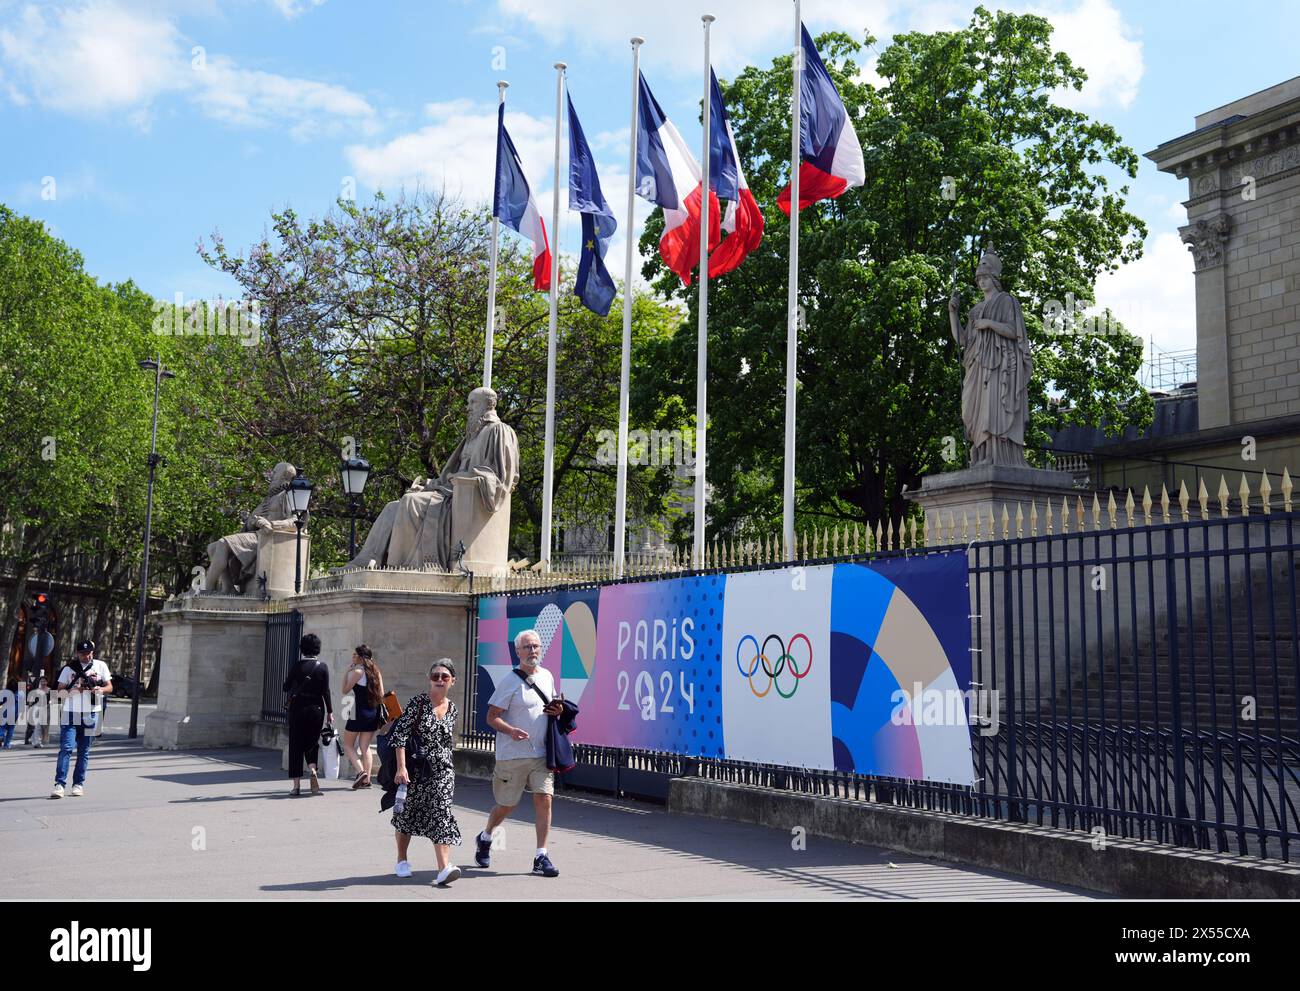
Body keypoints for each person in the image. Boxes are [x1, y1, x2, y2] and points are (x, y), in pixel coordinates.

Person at [346, 388, 519, 570]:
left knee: (410, 502)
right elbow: (450, 473)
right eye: (468, 402)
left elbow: (503, 475)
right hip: (450, 491)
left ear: (489, 404)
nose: (468, 407)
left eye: (472, 402)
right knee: (392, 507)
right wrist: (431, 485)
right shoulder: (472, 434)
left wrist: (466, 479)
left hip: (467, 497)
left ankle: (398, 566)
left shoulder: (499, 431)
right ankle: (365, 561)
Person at [474, 629, 563, 878]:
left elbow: (549, 705)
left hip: (541, 753)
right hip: (512, 755)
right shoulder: (510, 681)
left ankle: (540, 855)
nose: (532, 651)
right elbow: (491, 717)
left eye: (535, 646)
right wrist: (511, 730)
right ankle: (486, 836)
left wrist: (557, 710)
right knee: (507, 805)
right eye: (527, 647)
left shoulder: (547, 676)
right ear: (517, 652)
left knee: (544, 799)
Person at [948, 248, 1032, 468]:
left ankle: (998, 456)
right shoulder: (975, 310)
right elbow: (962, 340)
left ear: (994, 278)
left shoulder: (1006, 301)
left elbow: (1015, 331)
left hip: (999, 365)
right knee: (974, 412)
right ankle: (982, 453)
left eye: (985, 277)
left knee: (993, 410)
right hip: (978, 366)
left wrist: (989, 324)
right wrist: (952, 313)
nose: (981, 282)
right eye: (978, 279)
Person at [390, 659, 462, 886]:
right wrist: (401, 767)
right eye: (435, 676)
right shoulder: (418, 703)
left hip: (443, 771)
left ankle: (443, 868)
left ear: (453, 681)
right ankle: (402, 860)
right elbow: (399, 735)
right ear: (429, 679)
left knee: (441, 812)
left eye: (444, 677)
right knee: (407, 815)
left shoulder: (453, 709)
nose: (439, 680)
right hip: (416, 770)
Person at [51, 641, 112, 798]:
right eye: (84, 653)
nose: (87, 655)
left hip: (91, 713)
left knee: (84, 751)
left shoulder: (101, 666)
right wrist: (76, 690)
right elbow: (59, 692)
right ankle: (59, 784)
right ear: (77, 654)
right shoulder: (69, 669)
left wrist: (101, 689)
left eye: (90, 652)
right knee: (66, 748)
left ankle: (78, 784)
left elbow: (110, 687)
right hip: (70, 712)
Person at [282, 633, 333, 796]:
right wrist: (330, 712)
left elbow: (285, 687)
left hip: (298, 709)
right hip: (317, 709)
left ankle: (296, 786)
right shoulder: (322, 667)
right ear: (317, 648)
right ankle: (312, 769)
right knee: (312, 743)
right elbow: (326, 691)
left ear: (302, 648)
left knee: (296, 745)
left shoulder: (297, 666)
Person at [341, 644, 385, 788]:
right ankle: (366, 781)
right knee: (365, 747)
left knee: (347, 745)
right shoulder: (376, 671)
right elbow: (382, 694)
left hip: (358, 712)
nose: (352, 657)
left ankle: (361, 772)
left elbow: (345, 690)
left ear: (360, 657)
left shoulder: (358, 671)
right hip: (373, 712)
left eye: (354, 655)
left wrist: (347, 672)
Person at [25, 676, 51, 747]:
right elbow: (31, 701)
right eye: (41, 681)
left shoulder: (50, 690)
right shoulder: (36, 690)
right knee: (37, 725)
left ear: (47, 682)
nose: (43, 682)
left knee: (44, 726)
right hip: (36, 708)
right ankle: (36, 742)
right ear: (39, 682)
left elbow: (54, 700)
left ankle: (39, 740)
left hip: (46, 708)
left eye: (44, 681)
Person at [0, 679, 18, 749]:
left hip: (5, 712)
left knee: (2, 726)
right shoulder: (19, 694)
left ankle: (0, 736)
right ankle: (7, 744)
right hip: (14, 714)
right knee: (10, 729)